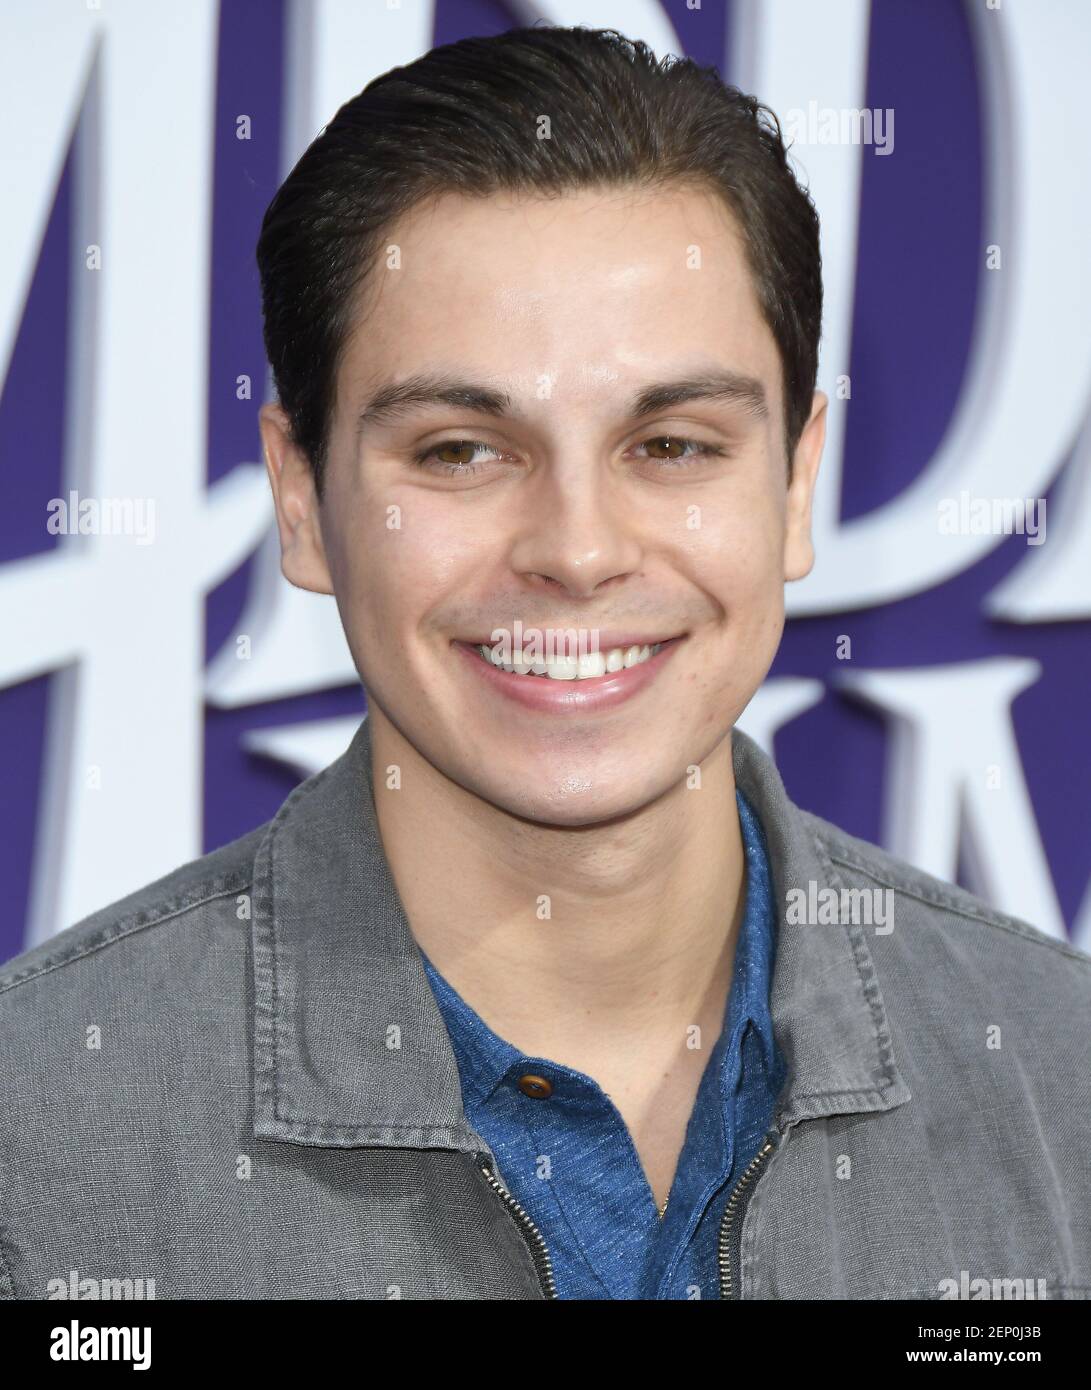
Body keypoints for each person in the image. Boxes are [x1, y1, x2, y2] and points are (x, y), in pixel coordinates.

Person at [1, 25, 1087, 1302]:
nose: (576, 551)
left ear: (795, 482)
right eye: (461, 450)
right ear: (300, 499)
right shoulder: (38, 1145)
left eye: (673, 445)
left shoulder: (1057, 1077)